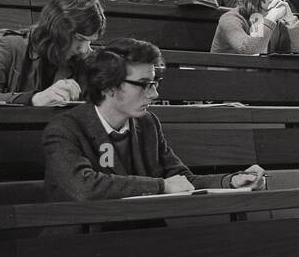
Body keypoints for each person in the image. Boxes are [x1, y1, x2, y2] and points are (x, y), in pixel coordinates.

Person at [43, 40, 265, 200]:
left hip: (142, 235)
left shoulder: (148, 124)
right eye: (144, 84)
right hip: (82, 243)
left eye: (155, 83)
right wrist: (161, 186)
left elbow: (182, 179)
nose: (154, 94)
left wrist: (231, 182)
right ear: (109, 87)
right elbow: (84, 186)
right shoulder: (65, 130)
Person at [0, 0, 106, 105]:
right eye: (79, 39)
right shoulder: (8, 45)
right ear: (59, 30)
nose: (84, 49)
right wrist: (35, 99)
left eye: (89, 41)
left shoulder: (82, 60)